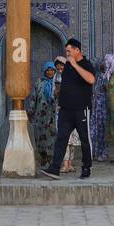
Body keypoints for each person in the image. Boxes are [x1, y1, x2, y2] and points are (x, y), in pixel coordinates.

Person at [40, 38, 96, 180]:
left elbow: (91, 80)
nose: (67, 53)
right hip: (66, 109)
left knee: (84, 139)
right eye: (66, 51)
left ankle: (86, 167)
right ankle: (55, 168)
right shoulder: (68, 66)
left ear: (77, 50)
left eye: (69, 51)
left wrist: (75, 65)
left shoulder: (85, 64)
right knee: (61, 138)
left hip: (81, 109)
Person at [24, 61, 58, 166]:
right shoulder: (40, 81)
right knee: (40, 137)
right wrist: (30, 111)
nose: (50, 72)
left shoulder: (57, 82)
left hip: (53, 114)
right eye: (47, 70)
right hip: (41, 115)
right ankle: (43, 157)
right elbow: (34, 97)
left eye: (52, 70)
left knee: (52, 136)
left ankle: (51, 158)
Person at [90, 56, 109, 161]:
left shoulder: (104, 77)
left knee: (101, 130)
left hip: (102, 108)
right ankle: (93, 152)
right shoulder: (94, 77)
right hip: (95, 108)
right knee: (93, 131)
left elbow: (107, 93)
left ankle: (102, 153)